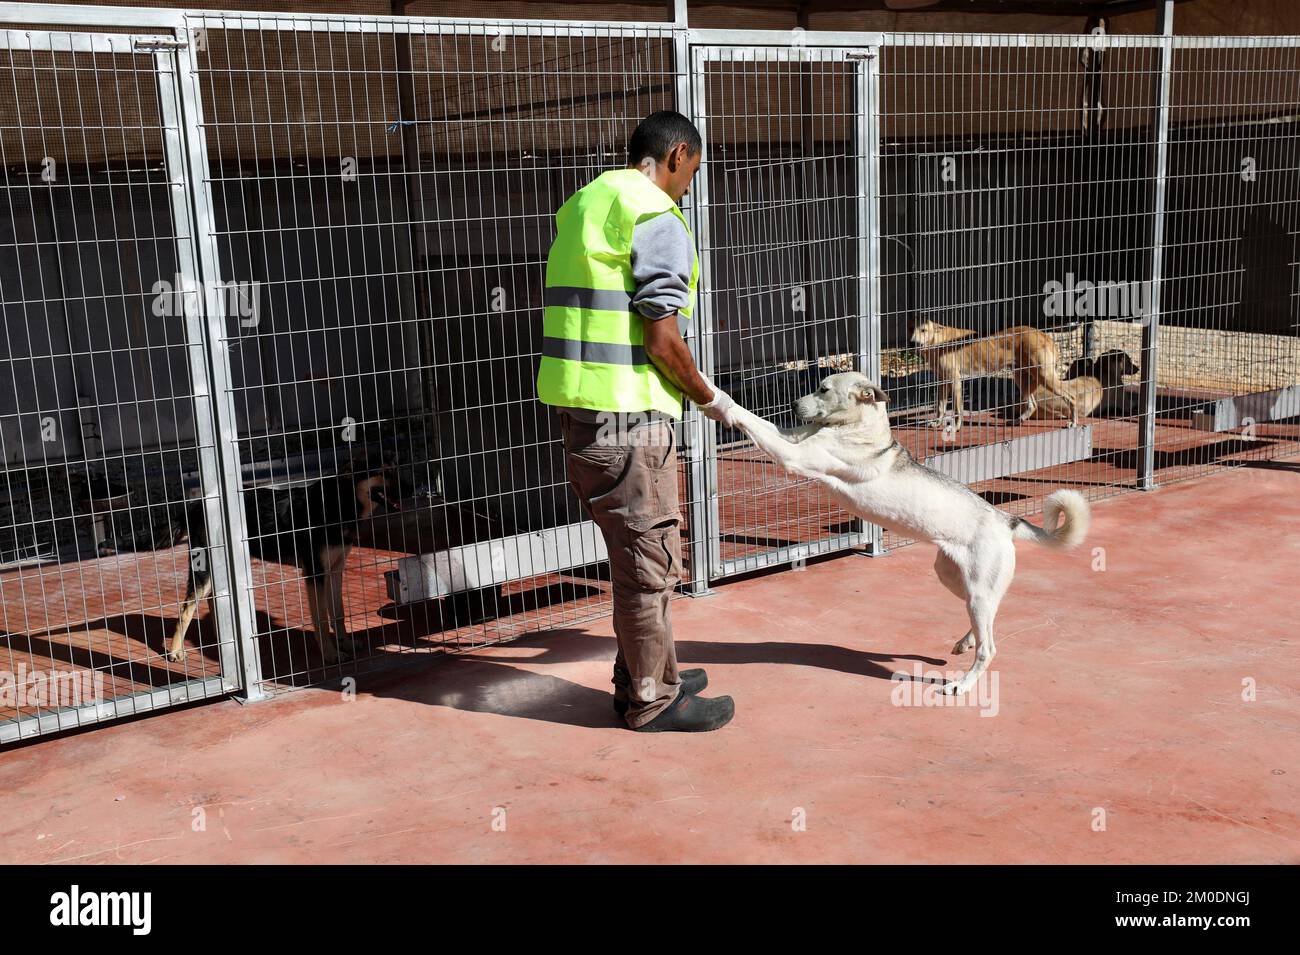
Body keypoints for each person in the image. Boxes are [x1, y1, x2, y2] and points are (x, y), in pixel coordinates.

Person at [536, 110, 737, 732]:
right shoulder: (654, 213)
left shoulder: (585, 204)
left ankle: (647, 670)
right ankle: (653, 699)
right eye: (691, 175)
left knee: (634, 555)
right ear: (676, 155)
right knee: (649, 564)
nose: (687, 189)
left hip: (584, 412)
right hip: (630, 418)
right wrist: (710, 397)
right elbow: (661, 338)